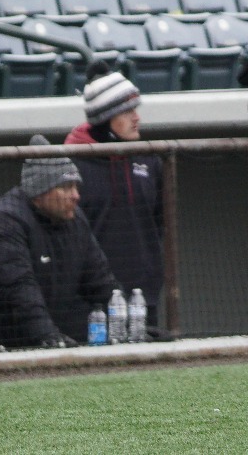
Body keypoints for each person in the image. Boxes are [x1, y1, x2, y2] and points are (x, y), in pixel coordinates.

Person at [0, 137, 120, 349]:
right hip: (11, 342)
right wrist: (48, 336)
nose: (76, 196)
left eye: (76, 187)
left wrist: (128, 322)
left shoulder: (76, 219)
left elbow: (100, 281)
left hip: (63, 333)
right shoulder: (5, 220)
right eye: (66, 188)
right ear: (39, 192)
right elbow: (20, 290)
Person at [65, 72, 166, 332]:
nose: (137, 118)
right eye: (127, 111)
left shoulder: (150, 160)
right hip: (91, 304)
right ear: (105, 119)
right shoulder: (72, 165)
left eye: (136, 109)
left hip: (144, 298)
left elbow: (160, 223)